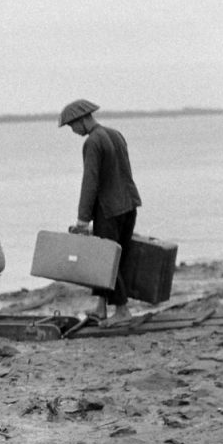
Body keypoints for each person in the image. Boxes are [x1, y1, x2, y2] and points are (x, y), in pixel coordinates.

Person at [59, 100, 141, 327]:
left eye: (72, 126)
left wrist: (82, 219)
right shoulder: (116, 134)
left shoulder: (92, 142)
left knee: (105, 262)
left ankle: (122, 310)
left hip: (109, 209)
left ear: (82, 119)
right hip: (129, 204)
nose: (73, 131)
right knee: (117, 258)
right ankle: (101, 307)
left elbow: (90, 182)